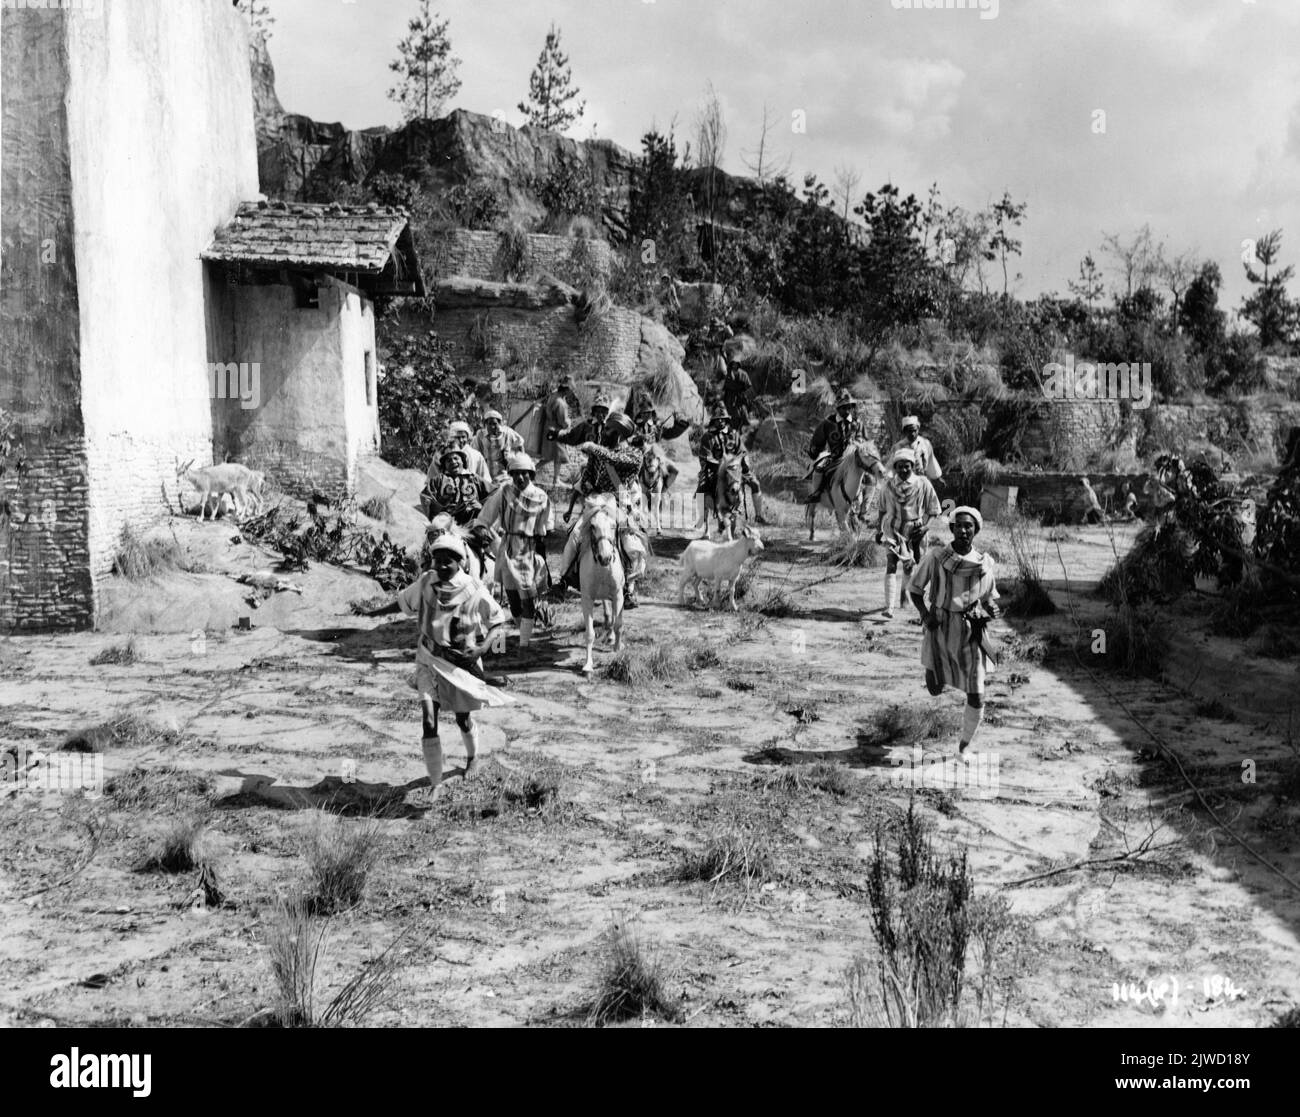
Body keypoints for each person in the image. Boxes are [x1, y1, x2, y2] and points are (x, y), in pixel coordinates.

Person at [366, 534, 508, 795]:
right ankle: (435, 783)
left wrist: (482, 647)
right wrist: (371, 612)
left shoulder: (473, 589)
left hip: (460, 664)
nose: (441, 567)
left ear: (460, 563)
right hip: (428, 659)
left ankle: (473, 757)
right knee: (428, 720)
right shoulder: (426, 583)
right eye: (437, 561)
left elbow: (498, 622)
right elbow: (402, 603)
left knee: (462, 718)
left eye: (447, 562)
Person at [908, 507, 1001, 756]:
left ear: (976, 530)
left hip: (972, 631)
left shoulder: (984, 564)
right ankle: (939, 672)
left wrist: (992, 609)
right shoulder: (937, 557)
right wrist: (926, 615)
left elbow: (990, 599)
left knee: (977, 694)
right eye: (958, 525)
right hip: (939, 627)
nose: (963, 530)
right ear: (951, 529)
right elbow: (915, 590)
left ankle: (964, 747)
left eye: (968, 526)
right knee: (935, 688)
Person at [556, 411, 648, 608]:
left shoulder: (634, 454)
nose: (603, 432)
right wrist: (587, 486)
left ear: (618, 434)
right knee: (575, 534)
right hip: (597, 501)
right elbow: (588, 475)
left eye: (607, 429)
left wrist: (595, 448)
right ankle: (563, 580)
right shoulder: (600, 452)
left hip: (620, 502)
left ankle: (629, 589)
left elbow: (615, 460)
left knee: (629, 540)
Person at [474, 453, 551, 652]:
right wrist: (482, 529)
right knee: (513, 600)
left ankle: (524, 644)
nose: (520, 478)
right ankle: (523, 630)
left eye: (524, 474)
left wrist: (539, 551)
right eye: (516, 473)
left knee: (527, 597)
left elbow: (545, 526)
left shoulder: (541, 497)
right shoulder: (505, 492)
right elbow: (485, 517)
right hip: (507, 547)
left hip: (528, 549)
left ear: (531, 475)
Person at [874, 448, 942, 618]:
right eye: (900, 466)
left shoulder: (923, 484)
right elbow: (882, 510)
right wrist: (878, 529)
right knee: (890, 564)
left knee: (909, 566)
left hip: (914, 532)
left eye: (907, 466)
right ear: (895, 467)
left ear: (913, 466)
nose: (904, 470)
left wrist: (926, 526)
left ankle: (904, 596)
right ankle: (889, 607)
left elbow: (934, 509)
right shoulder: (888, 485)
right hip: (892, 529)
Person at [698, 410, 770, 525]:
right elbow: (705, 456)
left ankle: (758, 516)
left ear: (726, 420)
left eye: (723, 418)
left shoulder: (734, 434)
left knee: (755, 483)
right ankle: (703, 518)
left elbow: (742, 452)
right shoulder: (707, 436)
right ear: (713, 421)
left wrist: (743, 465)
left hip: (735, 469)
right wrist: (720, 465)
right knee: (701, 488)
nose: (720, 421)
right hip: (715, 468)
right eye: (717, 419)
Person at [551, 394, 613, 521]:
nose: (601, 414)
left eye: (604, 411)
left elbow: (620, 442)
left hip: (608, 464)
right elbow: (572, 436)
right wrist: (557, 434)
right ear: (594, 412)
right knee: (581, 483)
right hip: (590, 462)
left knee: (620, 487)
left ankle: (626, 517)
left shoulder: (612, 427)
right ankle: (570, 511)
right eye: (598, 411)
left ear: (607, 412)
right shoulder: (586, 426)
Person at [806, 389, 866, 504]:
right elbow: (818, 440)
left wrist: (855, 443)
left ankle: (863, 508)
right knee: (819, 469)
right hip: (834, 456)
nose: (847, 410)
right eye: (844, 408)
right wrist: (815, 451)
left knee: (869, 477)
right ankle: (817, 493)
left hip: (853, 458)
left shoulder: (857, 422)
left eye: (849, 407)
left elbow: (861, 439)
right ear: (838, 408)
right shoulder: (828, 423)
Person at [423, 447, 489, 525]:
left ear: (463, 461)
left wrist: (482, 507)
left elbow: (493, 494)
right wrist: (440, 509)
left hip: (473, 522)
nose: (453, 462)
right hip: (447, 524)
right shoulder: (438, 480)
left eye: (456, 458)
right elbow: (425, 497)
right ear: (445, 465)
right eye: (449, 460)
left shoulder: (474, 479)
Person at [634, 402, 689, 492]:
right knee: (632, 474)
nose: (646, 415)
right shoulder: (636, 426)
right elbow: (631, 438)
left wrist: (659, 434)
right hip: (639, 455)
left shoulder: (656, 426)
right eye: (644, 413)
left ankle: (664, 490)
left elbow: (669, 434)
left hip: (656, 455)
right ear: (640, 414)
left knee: (674, 470)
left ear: (652, 414)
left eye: (648, 413)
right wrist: (641, 437)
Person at [538, 376, 575, 489]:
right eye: (570, 390)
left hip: (549, 428)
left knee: (553, 456)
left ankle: (555, 479)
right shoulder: (560, 403)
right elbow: (562, 421)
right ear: (567, 390)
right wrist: (569, 422)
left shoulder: (553, 396)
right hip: (556, 431)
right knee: (556, 455)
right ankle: (555, 479)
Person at [472, 410, 525, 486]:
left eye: (495, 424)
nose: (492, 427)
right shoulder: (480, 434)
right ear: (485, 424)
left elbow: (520, 442)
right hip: (486, 468)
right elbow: (475, 452)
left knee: (503, 490)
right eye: (489, 424)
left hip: (503, 469)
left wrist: (522, 461)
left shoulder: (506, 432)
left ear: (499, 423)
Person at [445, 420, 493, 490]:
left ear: (467, 437)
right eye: (457, 437)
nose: (461, 440)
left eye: (463, 437)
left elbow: (485, 478)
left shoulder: (476, 455)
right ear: (452, 438)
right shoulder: (444, 454)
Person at [893, 416, 942, 482]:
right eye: (910, 431)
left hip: (923, 481)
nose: (913, 434)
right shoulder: (898, 447)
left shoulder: (925, 443)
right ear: (905, 431)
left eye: (915, 430)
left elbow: (931, 460)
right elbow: (892, 468)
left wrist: (938, 477)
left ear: (918, 429)